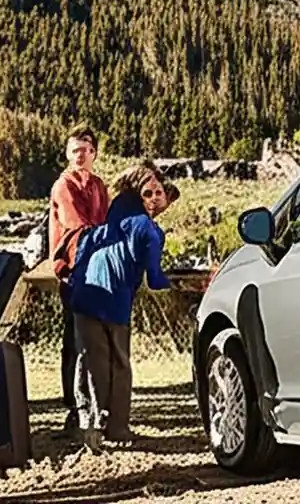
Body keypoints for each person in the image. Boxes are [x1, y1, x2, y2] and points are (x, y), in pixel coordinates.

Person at [68, 163, 176, 450]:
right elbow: (155, 279)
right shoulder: (150, 231)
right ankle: (116, 426)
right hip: (113, 299)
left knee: (92, 361)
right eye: (154, 194)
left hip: (85, 290)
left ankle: (89, 424)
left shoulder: (118, 210)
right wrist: (177, 284)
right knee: (118, 363)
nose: (159, 202)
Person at [47, 125, 110, 433]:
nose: (80, 156)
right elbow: (77, 226)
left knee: (94, 338)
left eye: (85, 150)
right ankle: (76, 408)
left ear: (94, 153)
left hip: (97, 269)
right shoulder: (64, 186)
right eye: (74, 151)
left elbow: (106, 220)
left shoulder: (98, 185)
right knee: (76, 340)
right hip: (74, 269)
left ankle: (95, 406)